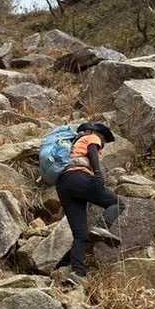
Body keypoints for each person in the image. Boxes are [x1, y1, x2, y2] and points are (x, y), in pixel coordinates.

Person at [55, 120, 121, 283]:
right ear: (96, 132)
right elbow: (92, 151)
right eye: (104, 139)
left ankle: (77, 273)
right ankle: (101, 227)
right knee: (117, 203)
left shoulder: (74, 144)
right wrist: (98, 174)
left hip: (63, 184)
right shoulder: (92, 137)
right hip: (80, 177)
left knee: (80, 235)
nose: (103, 143)